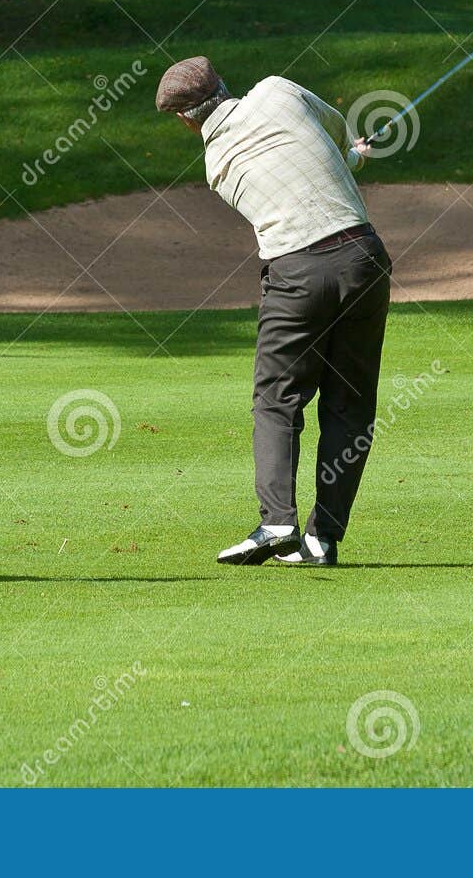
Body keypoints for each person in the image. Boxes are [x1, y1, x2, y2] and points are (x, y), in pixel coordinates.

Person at [155, 56, 392, 567]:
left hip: (297, 272)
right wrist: (352, 155)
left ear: (184, 120)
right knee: (350, 404)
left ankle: (277, 522)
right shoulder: (278, 89)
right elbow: (334, 133)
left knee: (278, 397)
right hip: (365, 260)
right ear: (223, 81)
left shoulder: (215, 165)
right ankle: (322, 539)